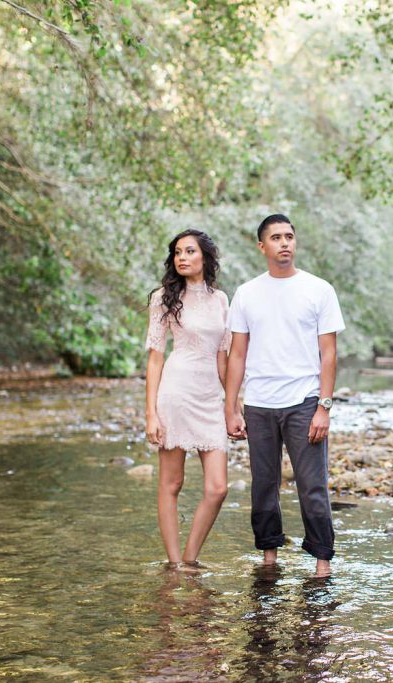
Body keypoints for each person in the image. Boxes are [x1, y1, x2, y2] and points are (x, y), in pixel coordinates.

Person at [224, 214, 345, 578]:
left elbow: (329, 354)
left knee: (312, 486)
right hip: (259, 403)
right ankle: (269, 558)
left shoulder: (319, 289)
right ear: (262, 246)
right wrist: (231, 407)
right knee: (263, 485)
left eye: (289, 236)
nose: (284, 243)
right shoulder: (246, 293)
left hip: (304, 402)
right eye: (276, 237)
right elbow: (237, 355)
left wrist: (324, 406)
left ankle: (322, 562)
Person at [145, 229, 231, 569]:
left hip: (210, 397)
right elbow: (155, 357)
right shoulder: (164, 298)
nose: (182, 257)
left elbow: (223, 358)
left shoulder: (221, 299)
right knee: (172, 483)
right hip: (176, 391)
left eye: (190, 251)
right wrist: (151, 413)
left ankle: (191, 558)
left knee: (218, 488)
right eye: (178, 252)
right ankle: (175, 563)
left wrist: (233, 405)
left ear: (205, 257)